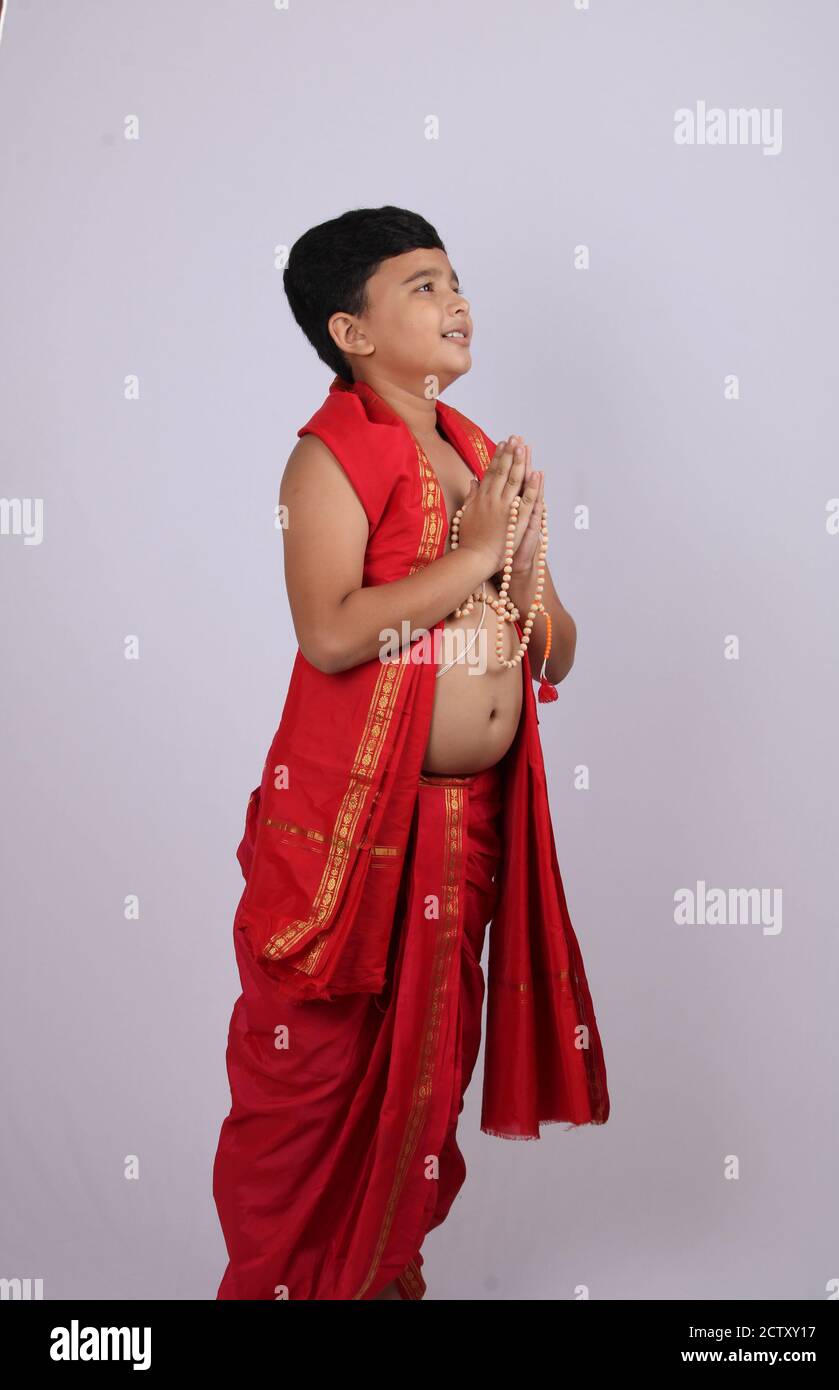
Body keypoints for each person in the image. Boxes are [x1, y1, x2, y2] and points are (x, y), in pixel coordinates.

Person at [212, 206, 610, 1301]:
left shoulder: (478, 452)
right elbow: (334, 630)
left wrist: (519, 558)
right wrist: (473, 550)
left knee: (424, 1086)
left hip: (464, 828)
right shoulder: (326, 457)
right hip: (355, 840)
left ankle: (384, 1280)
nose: (455, 300)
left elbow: (557, 651)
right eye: (422, 286)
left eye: (453, 278)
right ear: (351, 329)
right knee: (315, 1090)